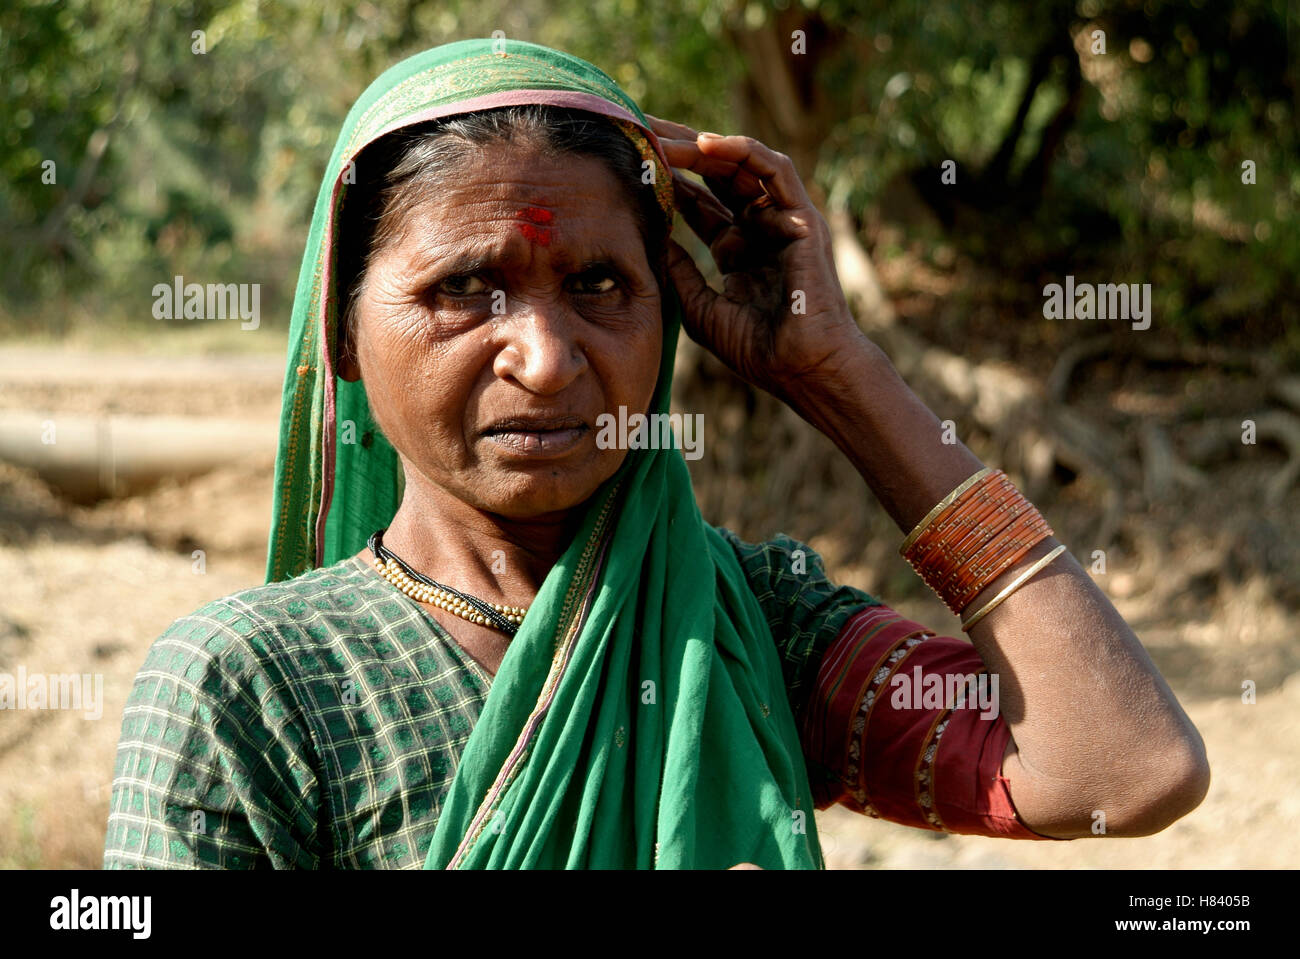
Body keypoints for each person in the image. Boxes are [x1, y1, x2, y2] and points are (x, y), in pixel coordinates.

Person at [103, 38, 1208, 870]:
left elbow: (1121, 768)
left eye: (598, 286)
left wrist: (838, 374)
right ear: (342, 333)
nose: (542, 357)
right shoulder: (255, 684)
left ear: (667, 315)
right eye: (461, 290)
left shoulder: (747, 621)